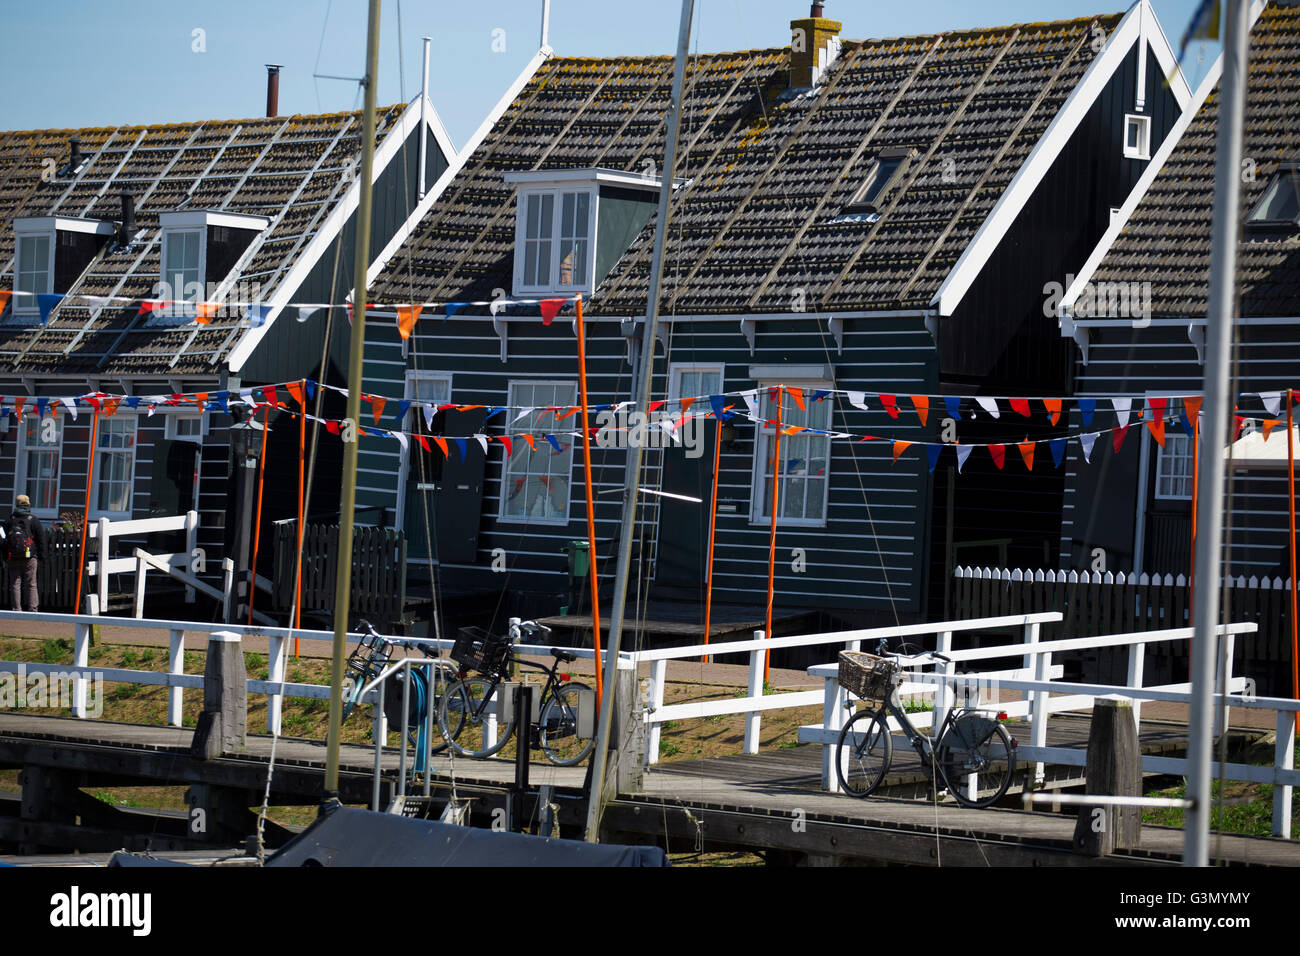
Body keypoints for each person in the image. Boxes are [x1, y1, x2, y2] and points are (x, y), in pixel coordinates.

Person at [5, 494, 48, 611]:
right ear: (28, 504)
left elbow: (4, 540)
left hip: (13, 557)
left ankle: (16, 609)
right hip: (30, 557)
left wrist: (5, 557)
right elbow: (41, 540)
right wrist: (42, 557)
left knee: (15, 584)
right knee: (31, 583)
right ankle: (33, 609)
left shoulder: (10, 520)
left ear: (16, 504)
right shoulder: (33, 520)